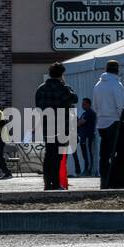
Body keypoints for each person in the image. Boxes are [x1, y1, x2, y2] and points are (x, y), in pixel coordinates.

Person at [35, 61, 78, 191]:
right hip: (61, 126)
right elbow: (75, 98)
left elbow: (38, 106)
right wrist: (64, 84)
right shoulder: (63, 88)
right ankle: (56, 183)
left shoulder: (41, 88)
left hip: (47, 126)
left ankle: (47, 184)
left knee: (49, 155)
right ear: (61, 74)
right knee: (58, 157)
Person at [92, 60, 124, 189]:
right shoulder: (116, 84)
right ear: (117, 70)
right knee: (117, 152)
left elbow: (94, 106)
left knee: (104, 154)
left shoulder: (98, 85)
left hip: (101, 123)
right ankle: (115, 180)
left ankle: (104, 181)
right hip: (114, 121)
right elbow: (121, 106)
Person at [75, 97, 97, 177]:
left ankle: (89, 170)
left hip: (88, 137)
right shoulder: (84, 113)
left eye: (84, 104)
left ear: (88, 104)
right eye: (82, 104)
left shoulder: (90, 113)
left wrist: (77, 122)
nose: (82, 105)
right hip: (83, 137)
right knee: (85, 155)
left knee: (88, 154)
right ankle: (86, 169)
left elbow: (79, 123)